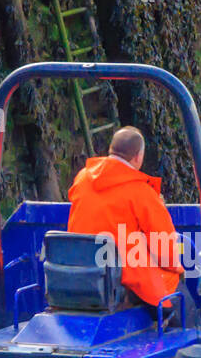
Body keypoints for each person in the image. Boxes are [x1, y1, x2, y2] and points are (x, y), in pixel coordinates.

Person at [67, 126, 184, 307]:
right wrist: (178, 269)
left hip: (80, 270)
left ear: (111, 150)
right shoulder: (141, 192)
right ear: (138, 157)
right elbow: (165, 250)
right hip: (121, 278)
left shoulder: (82, 178)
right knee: (175, 288)